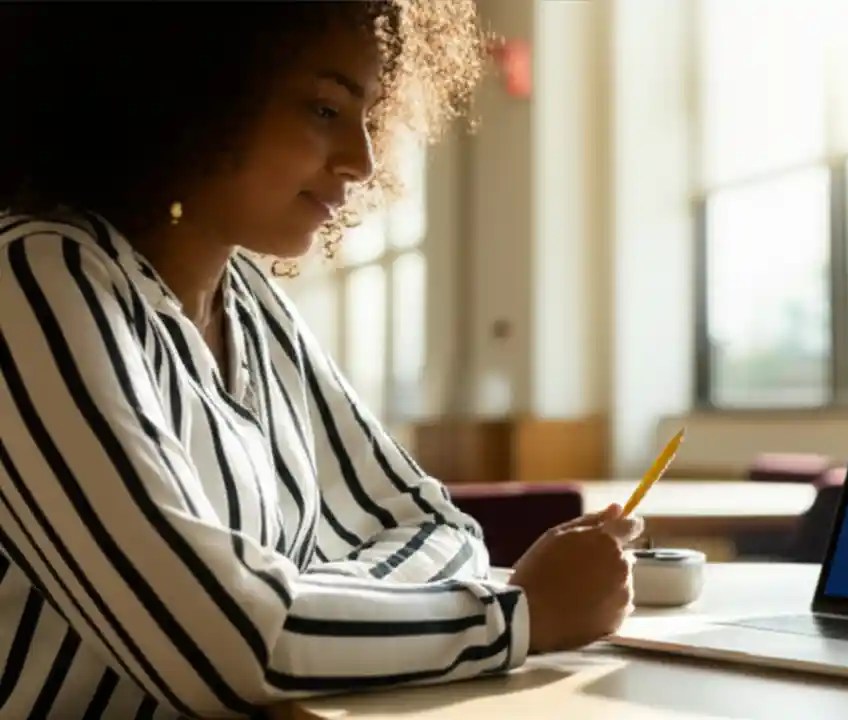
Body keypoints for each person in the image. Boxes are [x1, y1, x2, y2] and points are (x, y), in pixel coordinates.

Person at [0, 3, 640, 718]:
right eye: (324, 108)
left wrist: (304, 608)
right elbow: (220, 646)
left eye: (366, 116)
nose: (363, 161)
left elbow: (439, 530)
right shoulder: (29, 280)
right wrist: (514, 618)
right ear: (185, 93)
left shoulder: (250, 301)